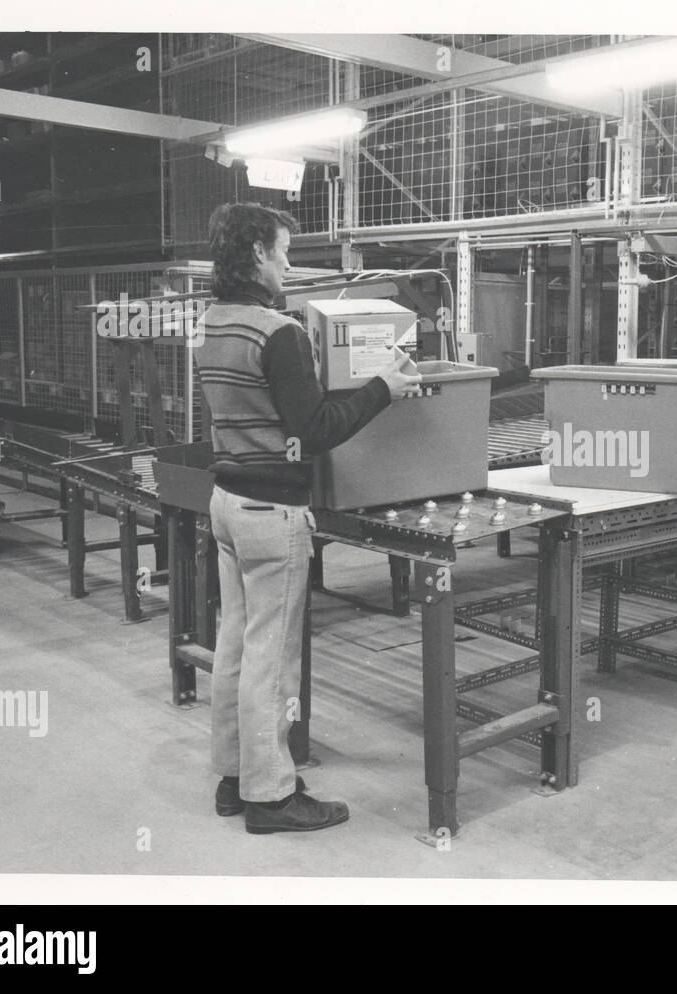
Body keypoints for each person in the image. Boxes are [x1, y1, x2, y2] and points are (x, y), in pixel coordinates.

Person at [194, 203, 422, 832]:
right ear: (259, 254)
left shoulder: (211, 324)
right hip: (273, 512)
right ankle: (271, 798)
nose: (290, 262)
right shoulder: (278, 332)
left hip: (226, 504)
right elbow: (315, 429)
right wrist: (383, 388)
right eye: (285, 250)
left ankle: (235, 778)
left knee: (236, 645)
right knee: (273, 656)